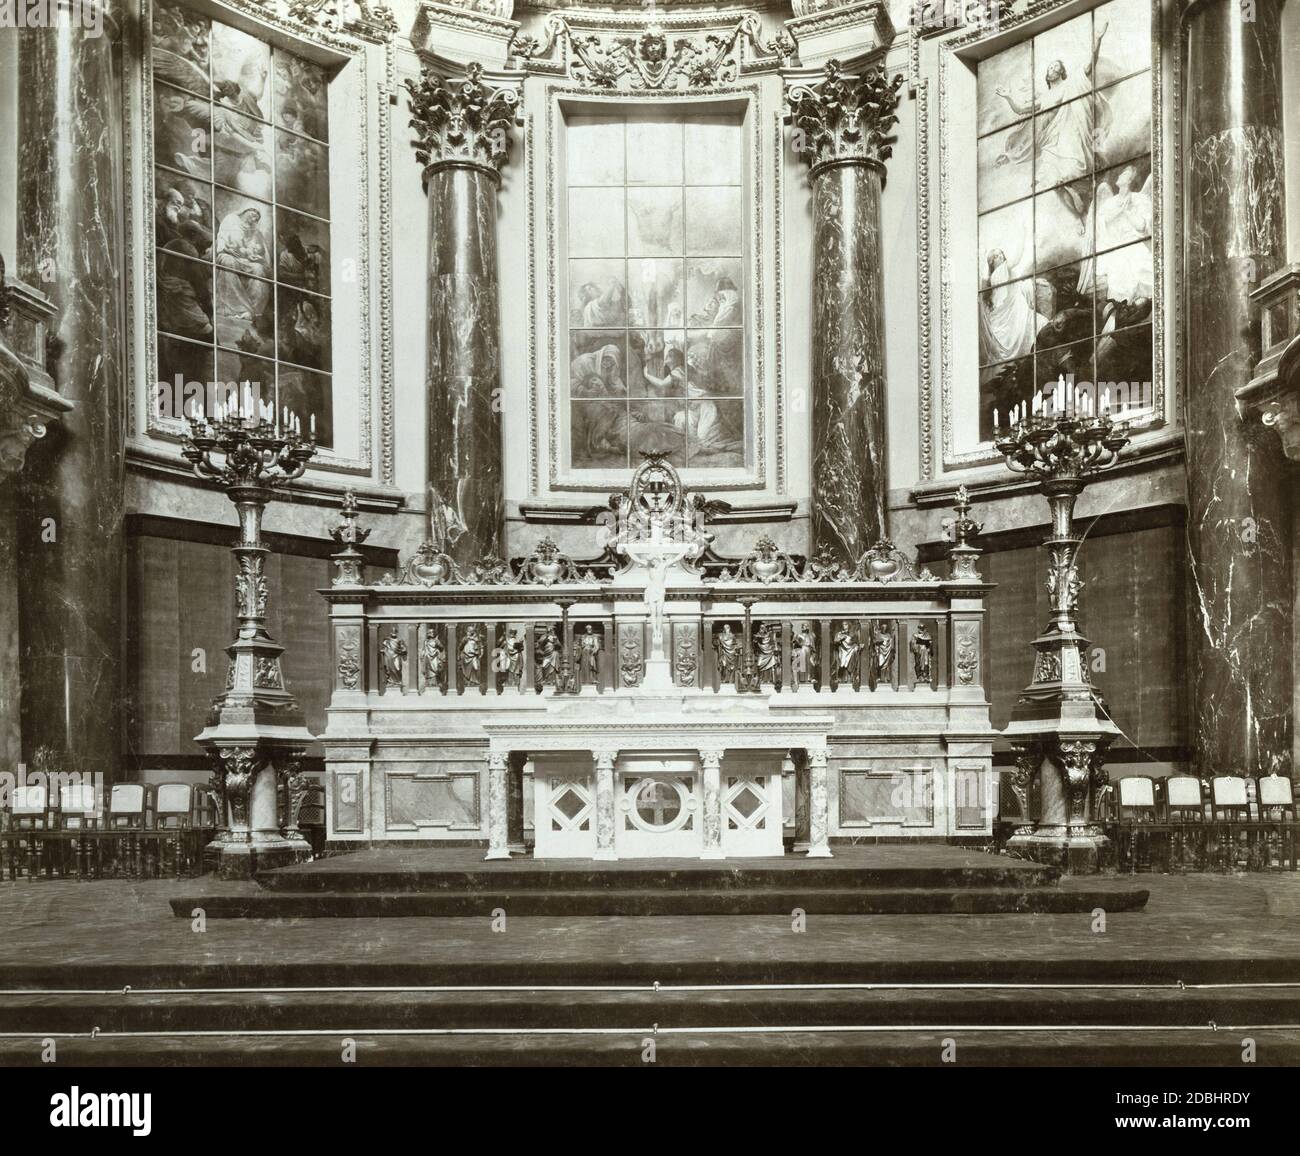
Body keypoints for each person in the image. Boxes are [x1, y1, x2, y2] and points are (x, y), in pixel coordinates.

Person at [993, 21, 1113, 224]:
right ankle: (1078, 216)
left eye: (1056, 67)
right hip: (1052, 142)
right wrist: (1008, 97)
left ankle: (1087, 206)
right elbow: (1022, 109)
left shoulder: (1071, 83)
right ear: (1047, 74)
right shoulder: (1044, 98)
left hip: (1072, 137)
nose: (1052, 69)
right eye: (1050, 67)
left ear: (1061, 72)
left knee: (1072, 174)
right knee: (1049, 181)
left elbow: (1089, 65)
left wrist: (1098, 39)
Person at [834, 621, 861, 688]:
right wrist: (840, 639)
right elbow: (835, 642)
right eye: (843, 625)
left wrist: (856, 646)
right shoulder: (839, 633)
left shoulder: (852, 634)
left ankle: (851, 678)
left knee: (850, 662)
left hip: (850, 650)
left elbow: (855, 642)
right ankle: (840, 678)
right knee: (842, 663)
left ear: (848, 625)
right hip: (842, 650)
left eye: (846, 624)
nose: (844, 626)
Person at [791, 622, 817, 689]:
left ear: (808, 627)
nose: (804, 627)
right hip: (801, 650)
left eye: (805, 626)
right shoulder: (798, 635)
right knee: (800, 665)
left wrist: (813, 655)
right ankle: (800, 680)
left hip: (808, 650)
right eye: (803, 626)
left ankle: (809, 678)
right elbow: (793, 644)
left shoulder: (810, 636)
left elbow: (813, 647)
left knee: (809, 664)